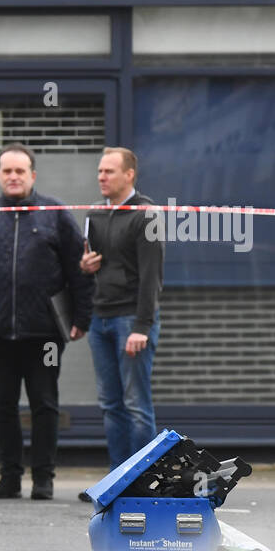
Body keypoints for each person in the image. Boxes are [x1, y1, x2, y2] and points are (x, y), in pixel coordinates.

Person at [0, 143, 92, 501]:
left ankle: (43, 478)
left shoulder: (56, 214)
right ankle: (10, 477)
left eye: (20, 171)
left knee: (44, 403)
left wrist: (81, 317)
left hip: (44, 334)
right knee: (2, 404)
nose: (13, 177)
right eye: (7, 171)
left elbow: (78, 268)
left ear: (32, 175)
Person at [79, 146, 162, 489]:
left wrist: (142, 326)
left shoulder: (147, 214)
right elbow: (89, 265)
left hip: (132, 321)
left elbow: (151, 276)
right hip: (101, 319)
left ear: (129, 175)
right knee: (110, 404)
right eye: (100, 171)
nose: (101, 177)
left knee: (136, 405)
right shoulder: (95, 214)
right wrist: (84, 268)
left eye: (109, 171)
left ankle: (143, 480)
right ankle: (117, 480)